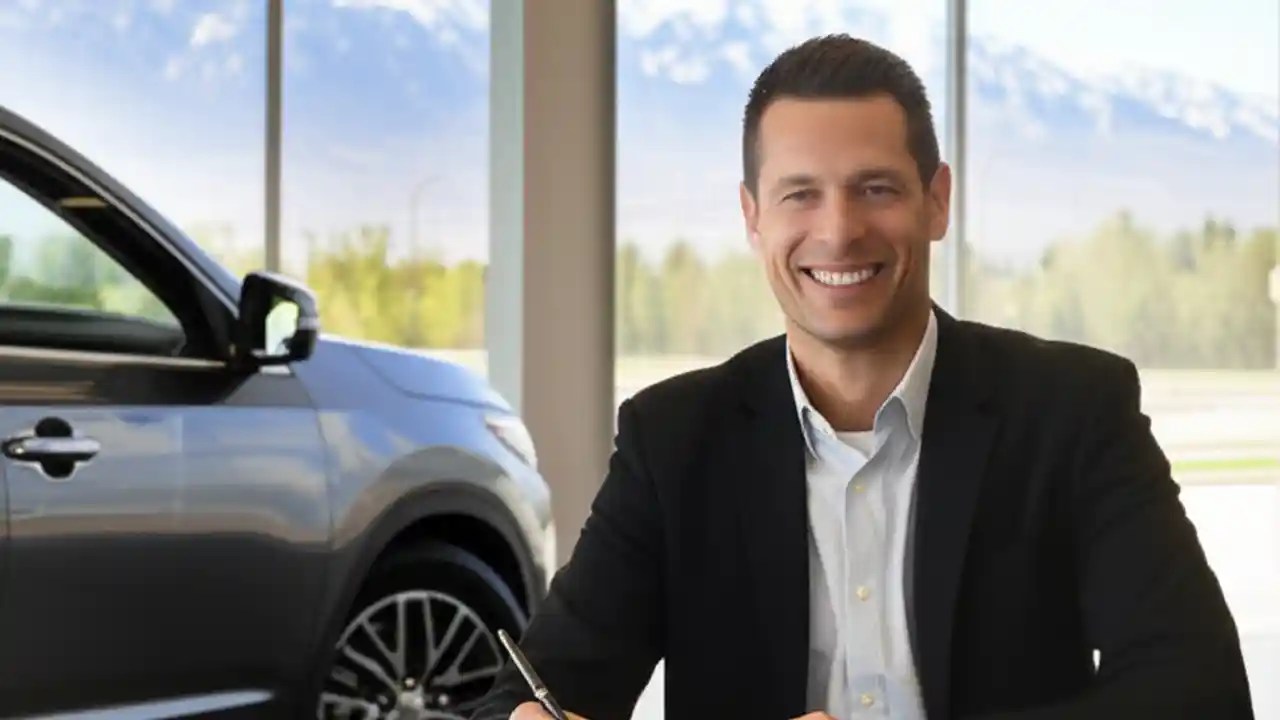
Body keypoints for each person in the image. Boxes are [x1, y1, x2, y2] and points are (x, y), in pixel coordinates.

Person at [471, 34, 1254, 720]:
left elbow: (1198, 691)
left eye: (875, 188)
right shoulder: (673, 440)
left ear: (936, 201)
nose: (839, 230)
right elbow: (529, 694)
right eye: (799, 194)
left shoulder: (1074, 412)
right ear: (753, 219)